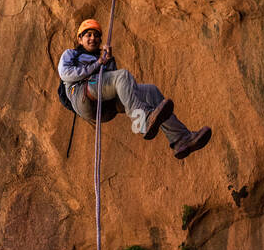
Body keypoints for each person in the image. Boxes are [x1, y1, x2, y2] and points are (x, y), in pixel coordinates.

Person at [58, 18, 212, 159]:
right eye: (88, 35)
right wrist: (97, 64)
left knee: (150, 91)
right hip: (82, 94)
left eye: (96, 36)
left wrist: (109, 60)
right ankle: (141, 121)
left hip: (105, 106)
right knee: (123, 76)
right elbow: (66, 74)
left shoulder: (102, 57)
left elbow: (112, 80)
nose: (93, 38)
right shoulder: (72, 54)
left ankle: (181, 139)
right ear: (80, 39)